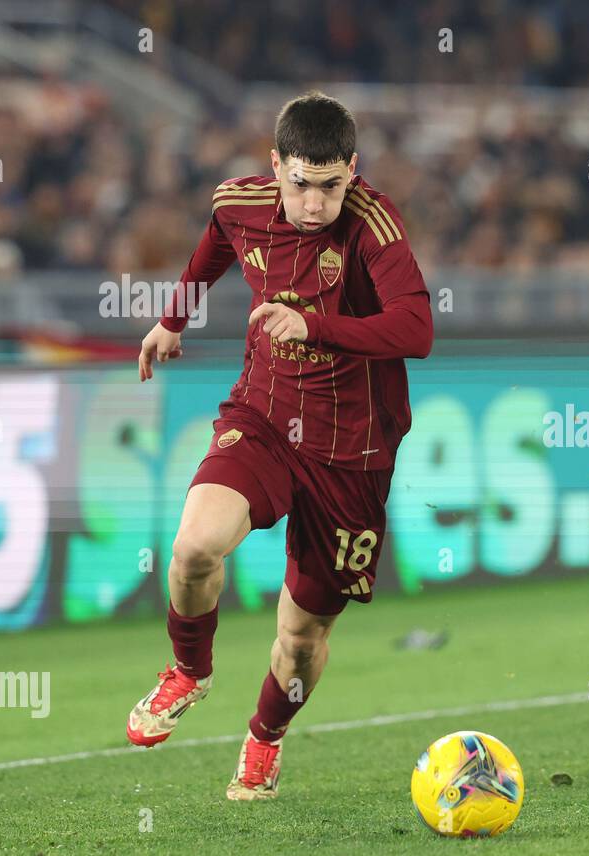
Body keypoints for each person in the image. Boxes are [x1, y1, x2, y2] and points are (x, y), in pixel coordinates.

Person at [127, 91, 433, 800]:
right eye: (301, 183)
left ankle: (265, 737)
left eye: (331, 185)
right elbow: (214, 244)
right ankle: (190, 671)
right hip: (264, 416)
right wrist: (173, 320)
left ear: (352, 171)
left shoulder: (373, 227)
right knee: (195, 547)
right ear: (276, 167)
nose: (316, 202)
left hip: (353, 449)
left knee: (300, 637)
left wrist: (317, 327)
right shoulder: (240, 203)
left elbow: (416, 330)